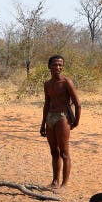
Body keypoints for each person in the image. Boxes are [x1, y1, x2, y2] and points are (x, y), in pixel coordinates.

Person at [39, 55, 81, 189]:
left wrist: (76, 121)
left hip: (63, 118)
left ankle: (64, 184)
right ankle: (55, 181)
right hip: (50, 117)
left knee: (64, 152)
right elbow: (46, 103)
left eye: (60, 65)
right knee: (54, 152)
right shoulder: (47, 84)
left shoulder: (66, 82)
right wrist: (43, 123)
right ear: (49, 66)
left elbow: (77, 103)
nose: (58, 67)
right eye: (55, 64)